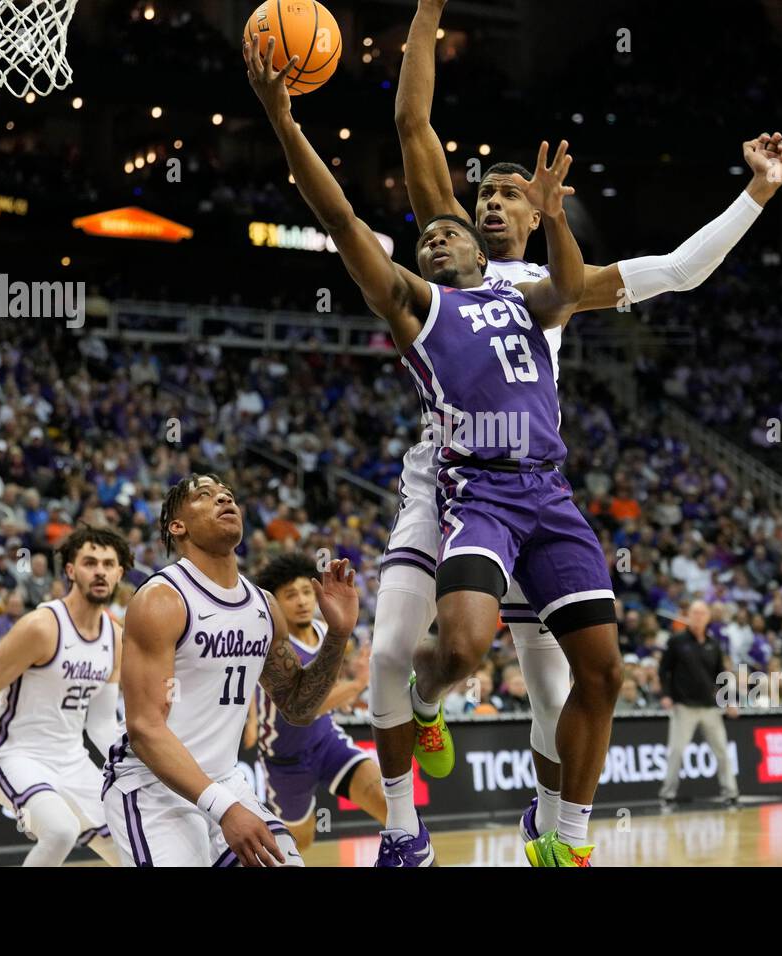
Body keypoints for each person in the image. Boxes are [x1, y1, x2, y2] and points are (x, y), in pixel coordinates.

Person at [371, 0, 782, 860]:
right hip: (449, 469)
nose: (488, 203)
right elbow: (413, 121)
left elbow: (677, 270)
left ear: (537, 214)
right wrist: (426, 13)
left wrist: (755, 193)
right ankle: (409, 799)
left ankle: (551, 826)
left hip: (534, 479)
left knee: (562, 682)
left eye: (508, 195)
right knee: (408, 651)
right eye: (481, 192)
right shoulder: (447, 254)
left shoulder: (558, 280)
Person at [245, 39, 628, 869]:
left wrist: (557, 217)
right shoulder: (420, 303)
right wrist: (283, 123)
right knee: (444, 650)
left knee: (582, 678)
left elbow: (574, 286)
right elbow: (349, 210)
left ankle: (564, 839)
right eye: (428, 235)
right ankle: (411, 793)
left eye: (455, 230)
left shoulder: (526, 293)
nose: (439, 238)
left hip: (546, 486)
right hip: (462, 484)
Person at [102, 475, 359, 867]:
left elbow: (298, 706)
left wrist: (337, 635)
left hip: (225, 781)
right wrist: (224, 809)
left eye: (227, 494)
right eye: (204, 496)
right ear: (177, 526)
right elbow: (145, 729)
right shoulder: (161, 600)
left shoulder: (265, 606)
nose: (222, 497)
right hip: (152, 785)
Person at [0, 526, 128, 866]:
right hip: (16, 755)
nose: (99, 571)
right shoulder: (42, 627)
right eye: (89, 562)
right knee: (60, 831)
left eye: (107, 563)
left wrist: (136, 764)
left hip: (72, 760)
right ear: (71, 571)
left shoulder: (115, 638)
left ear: (119, 573)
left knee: (130, 845)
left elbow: (101, 724)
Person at [243, 552, 386, 851]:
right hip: (284, 761)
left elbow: (325, 692)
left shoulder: (325, 631)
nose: (302, 601)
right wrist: (358, 684)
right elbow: (306, 707)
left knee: (392, 807)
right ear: (275, 603)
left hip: (327, 742)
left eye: (307, 592)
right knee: (299, 844)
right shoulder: (271, 645)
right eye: (290, 595)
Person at [657, 600, 739, 807]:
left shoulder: (713, 644)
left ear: (708, 618)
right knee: (676, 751)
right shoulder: (677, 642)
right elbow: (663, 669)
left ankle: (731, 794)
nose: (698, 617)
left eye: (702, 613)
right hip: (684, 707)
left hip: (710, 707)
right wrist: (666, 694)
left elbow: (721, 675)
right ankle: (668, 795)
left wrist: (729, 701)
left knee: (722, 751)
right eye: (695, 613)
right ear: (688, 616)